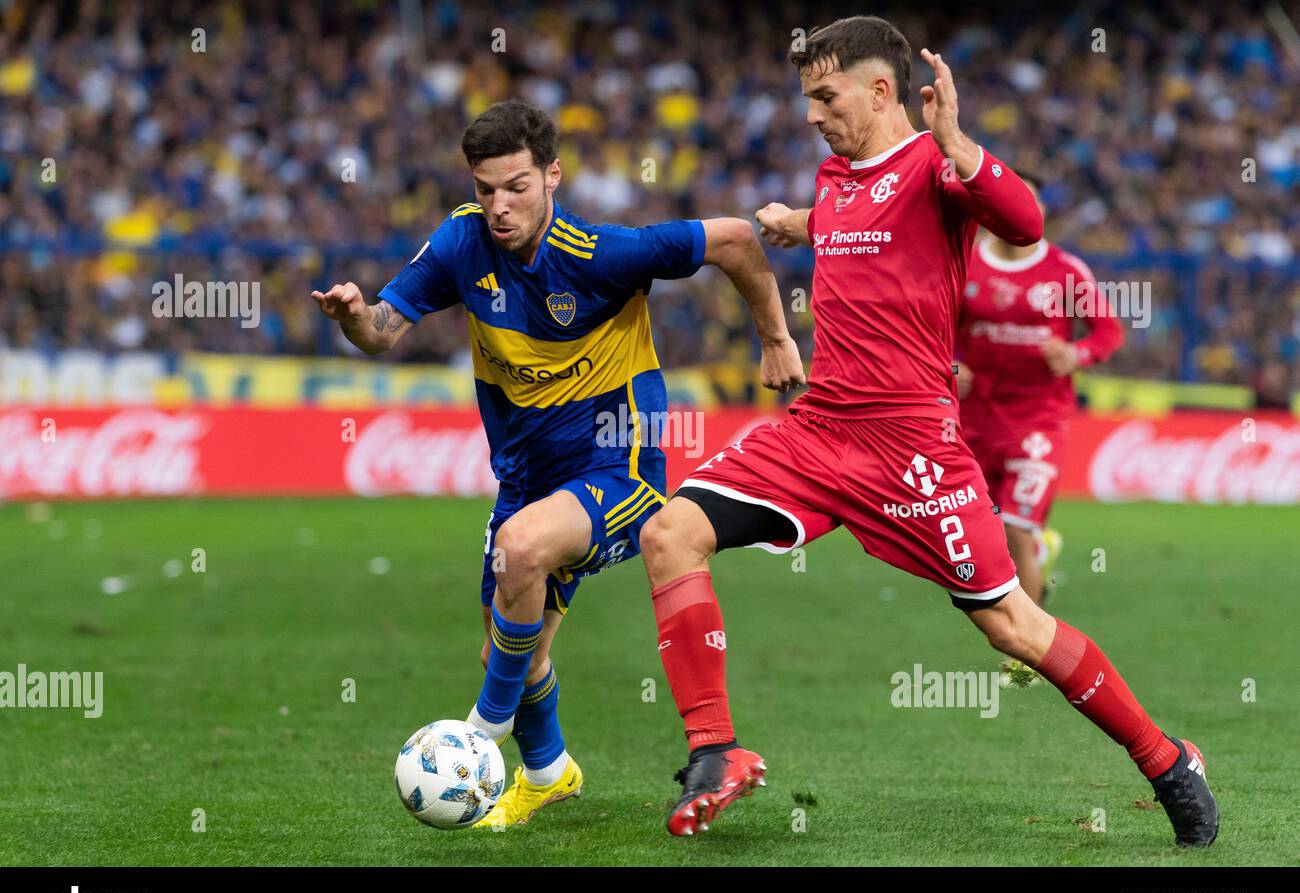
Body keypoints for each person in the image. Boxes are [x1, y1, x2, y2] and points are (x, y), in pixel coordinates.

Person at [638, 16, 1217, 847]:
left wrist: (960, 143)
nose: (811, 113)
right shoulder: (836, 179)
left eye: (825, 95)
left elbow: (1023, 219)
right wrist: (795, 222)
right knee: (671, 532)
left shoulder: (938, 170)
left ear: (882, 92)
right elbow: (852, 222)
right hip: (818, 430)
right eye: (806, 97)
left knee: (1012, 623)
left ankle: (1167, 761)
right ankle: (714, 753)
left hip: (913, 448)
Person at [312, 100, 805, 829]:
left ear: (553, 176)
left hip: (621, 463)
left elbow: (734, 239)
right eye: (485, 190)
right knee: (508, 644)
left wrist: (775, 339)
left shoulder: (603, 254)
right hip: (527, 476)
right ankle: (547, 773)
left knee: (520, 555)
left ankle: (481, 735)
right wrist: (355, 316)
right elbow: (384, 331)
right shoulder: (460, 244)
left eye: (516, 186)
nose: (499, 206)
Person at [956, 175, 1123, 605]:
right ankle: (1038, 551)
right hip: (974, 422)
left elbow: (1107, 332)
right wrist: (948, 366)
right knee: (986, 536)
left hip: (1038, 422)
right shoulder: (964, 265)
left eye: (1027, 201)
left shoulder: (1065, 272)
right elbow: (930, 332)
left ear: (1040, 212)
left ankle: (1023, 657)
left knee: (1014, 525)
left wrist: (1076, 354)